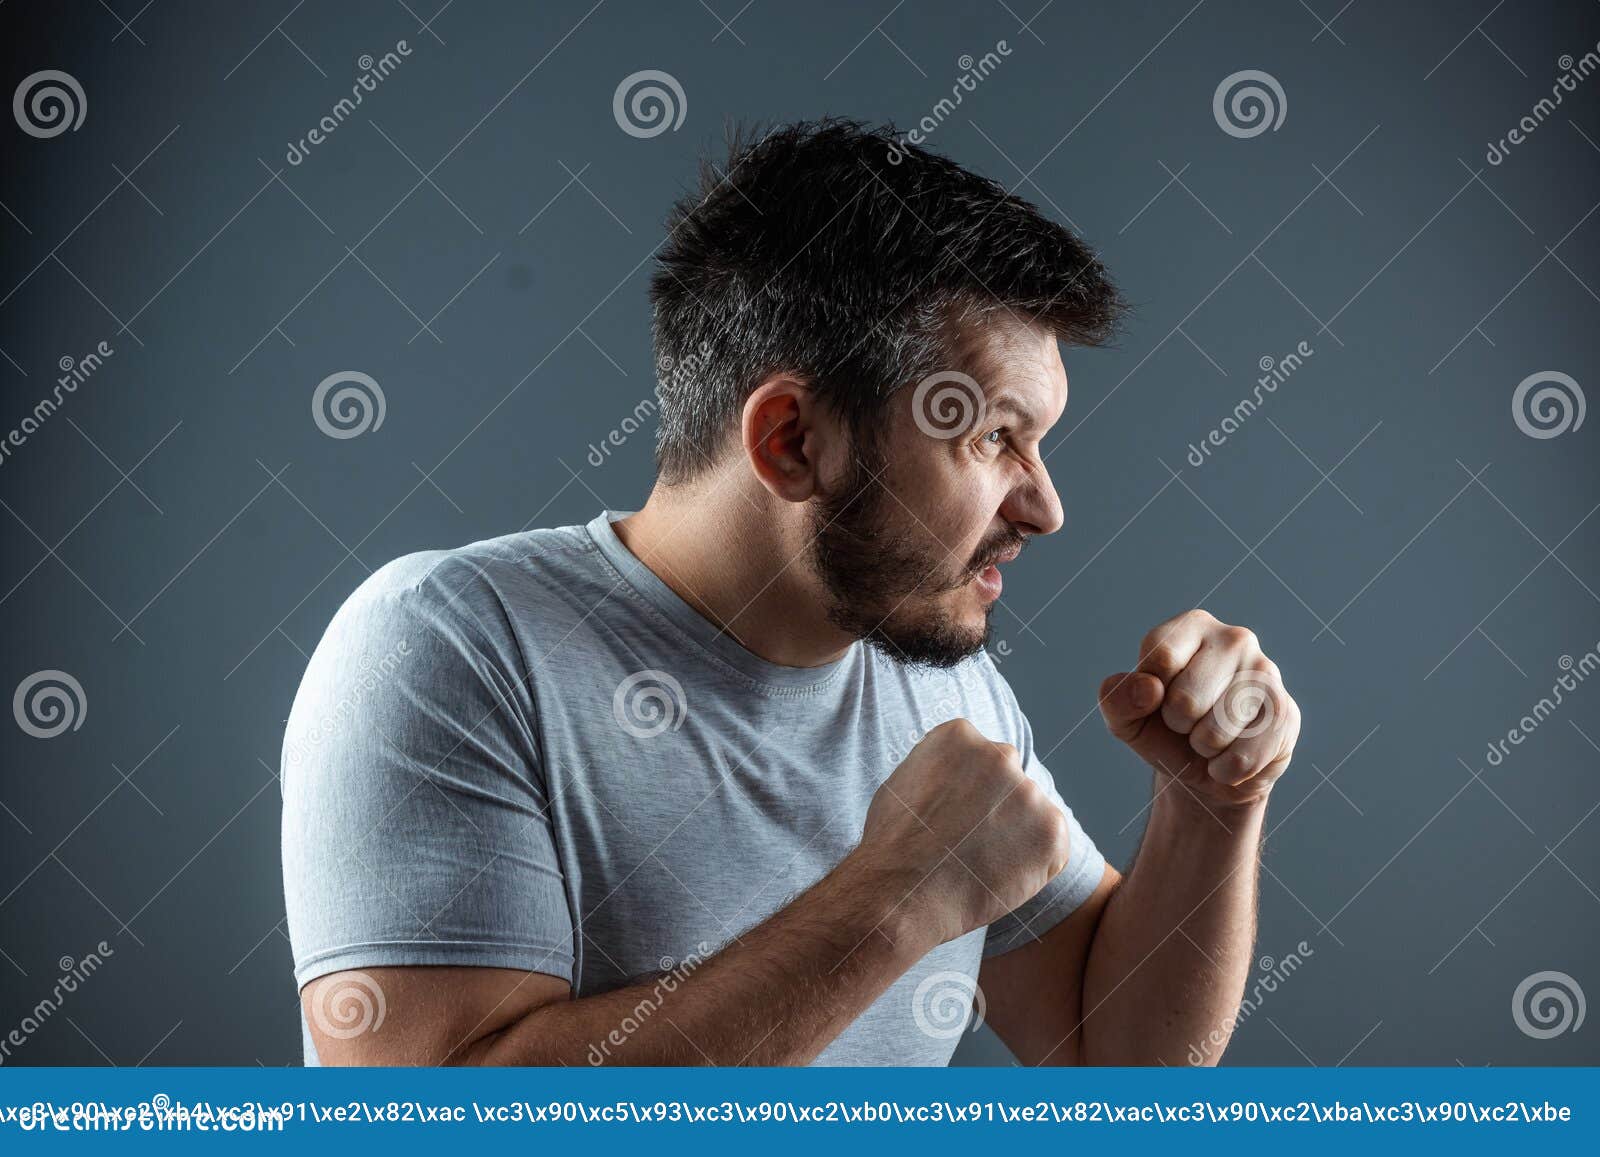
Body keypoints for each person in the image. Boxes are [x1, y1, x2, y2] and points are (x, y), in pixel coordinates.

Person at [280, 119, 1301, 1066]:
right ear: (791, 440)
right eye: (993, 437)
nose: (1043, 507)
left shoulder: (944, 686)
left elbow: (1112, 1059)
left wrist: (1213, 806)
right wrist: (895, 898)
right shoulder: (449, 648)